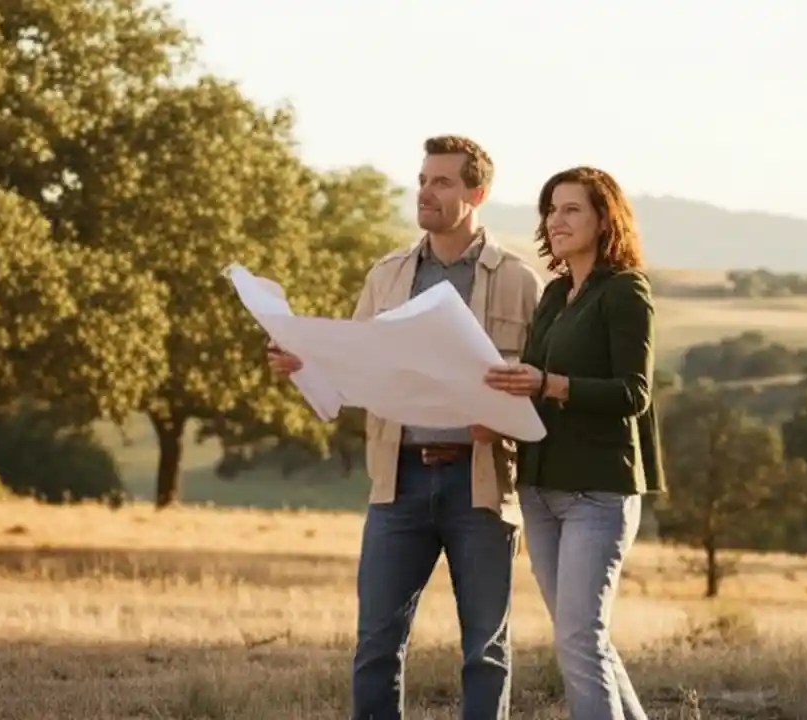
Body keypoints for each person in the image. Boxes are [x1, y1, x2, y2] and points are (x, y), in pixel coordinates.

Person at [268, 135, 543, 720]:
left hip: (483, 485)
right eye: (422, 180)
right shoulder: (387, 275)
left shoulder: (521, 281)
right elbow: (355, 370)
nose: (425, 192)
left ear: (478, 193)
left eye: (441, 182)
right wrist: (304, 363)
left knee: (485, 651)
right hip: (398, 483)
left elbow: (539, 389)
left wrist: (503, 421)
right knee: (375, 646)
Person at [484, 166, 666, 720]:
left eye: (572, 210)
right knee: (583, 638)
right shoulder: (558, 292)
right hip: (539, 487)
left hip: (598, 492)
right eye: (551, 210)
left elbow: (632, 393)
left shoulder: (626, 291)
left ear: (603, 218)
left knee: (580, 641)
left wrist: (549, 384)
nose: (556, 221)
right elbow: (533, 378)